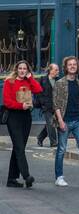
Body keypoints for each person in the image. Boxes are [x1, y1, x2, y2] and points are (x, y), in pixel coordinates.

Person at [52, 56, 79, 187]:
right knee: (61, 150)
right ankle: (59, 177)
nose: (72, 66)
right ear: (65, 67)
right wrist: (60, 121)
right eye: (69, 65)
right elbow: (56, 104)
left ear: (77, 67)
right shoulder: (60, 83)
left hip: (78, 121)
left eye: (74, 65)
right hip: (65, 121)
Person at [2, 60, 42, 188]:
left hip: (26, 117)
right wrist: (21, 105)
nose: (22, 71)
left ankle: (11, 179)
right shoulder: (9, 82)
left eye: (25, 69)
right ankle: (26, 176)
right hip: (13, 116)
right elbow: (7, 102)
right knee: (19, 147)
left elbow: (38, 89)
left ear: (28, 70)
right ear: (16, 69)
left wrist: (31, 78)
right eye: (20, 68)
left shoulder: (28, 81)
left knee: (18, 148)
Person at [36, 62, 60, 147]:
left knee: (51, 124)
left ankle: (40, 137)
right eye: (56, 70)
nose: (58, 71)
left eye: (58, 70)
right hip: (46, 106)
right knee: (51, 123)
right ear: (51, 70)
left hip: (56, 107)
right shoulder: (43, 80)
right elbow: (38, 93)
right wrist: (43, 103)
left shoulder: (58, 80)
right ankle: (54, 142)